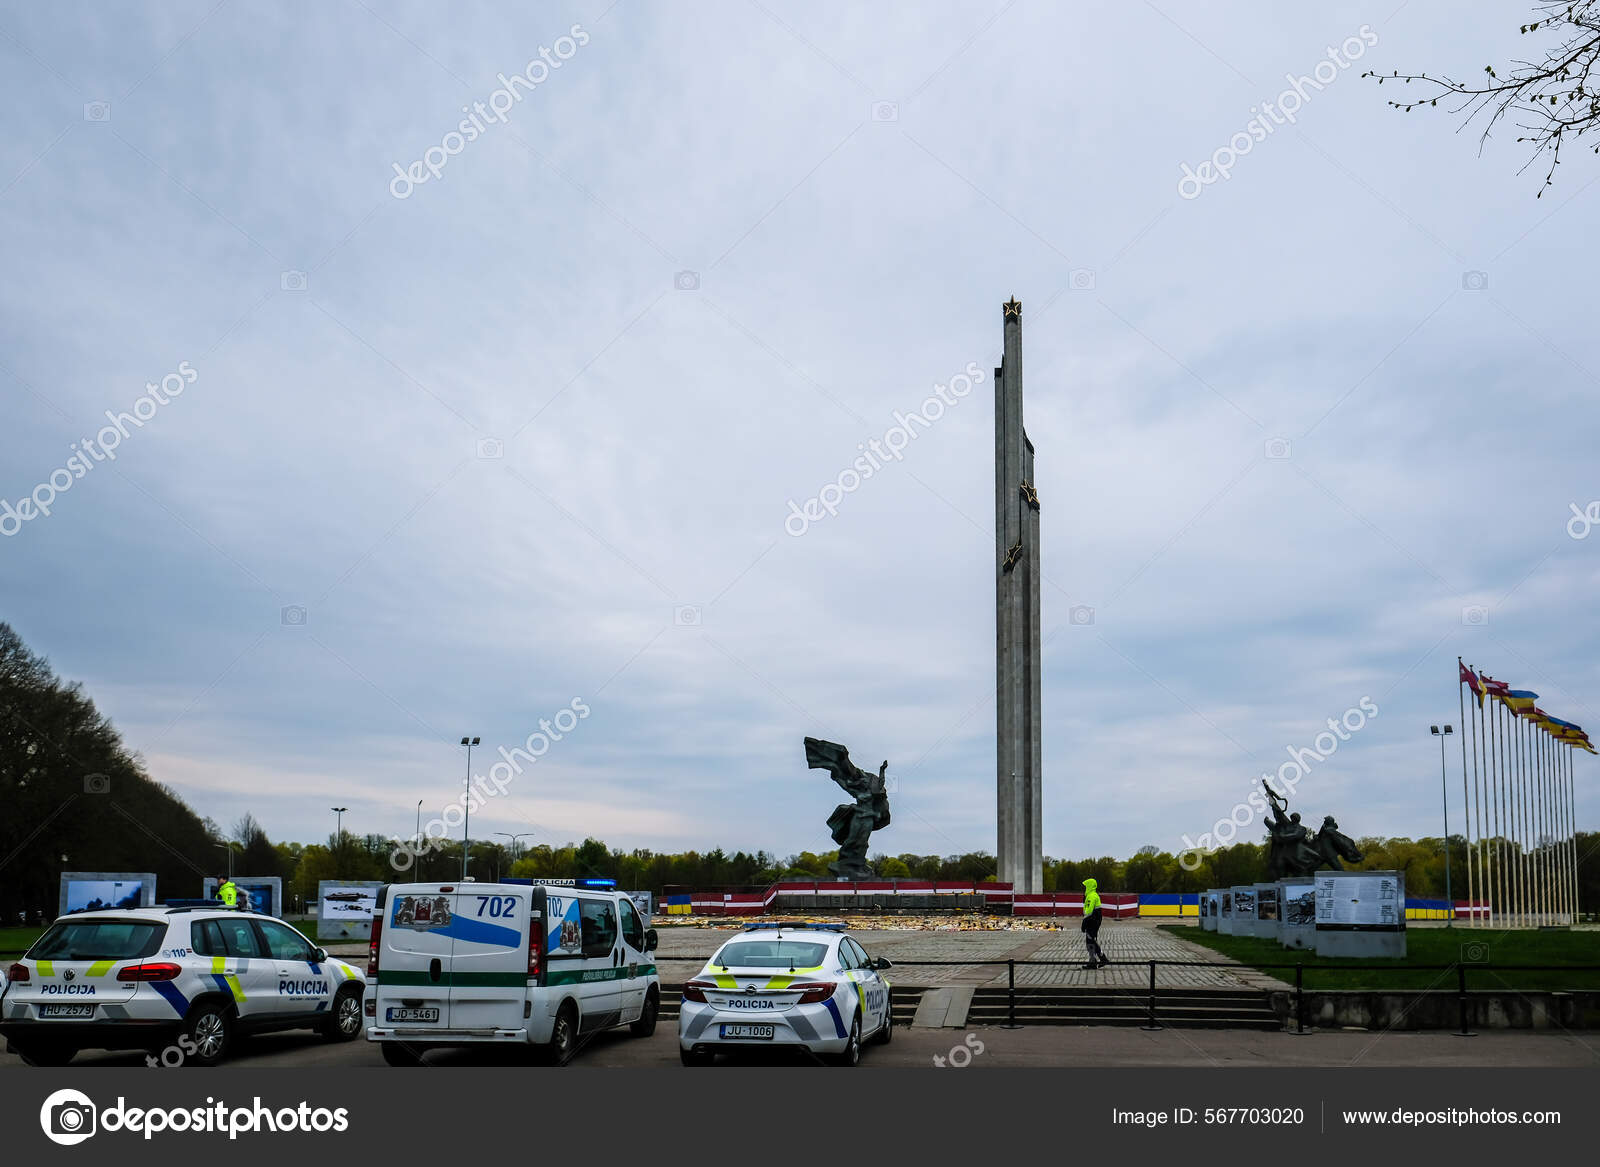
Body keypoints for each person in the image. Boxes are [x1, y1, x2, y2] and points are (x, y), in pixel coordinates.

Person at [1081, 877, 1109, 969]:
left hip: (1092, 920)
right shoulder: (1091, 895)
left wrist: (1084, 923)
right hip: (1094, 920)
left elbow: (1088, 911)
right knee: (1090, 940)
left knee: (1090, 941)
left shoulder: (1092, 896)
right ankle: (1096, 960)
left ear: (1089, 886)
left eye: (1086, 886)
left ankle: (1100, 960)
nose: (1084, 888)